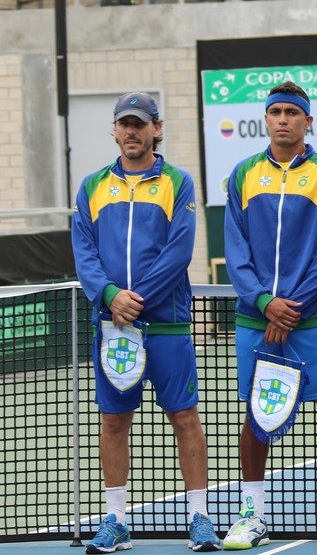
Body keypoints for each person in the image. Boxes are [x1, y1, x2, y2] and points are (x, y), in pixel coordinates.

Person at [71, 92, 220, 554]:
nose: (131, 132)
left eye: (140, 124)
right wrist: (112, 297)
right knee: (114, 422)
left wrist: (136, 300)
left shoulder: (178, 182)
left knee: (185, 418)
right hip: (114, 328)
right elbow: (84, 252)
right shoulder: (91, 186)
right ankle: (115, 520)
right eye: (124, 124)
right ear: (115, 131)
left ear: (156, 128)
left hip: (169, 325)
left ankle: (200, 517)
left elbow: (179, 251)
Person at [220, 81, 317, 551]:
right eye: (275, 111)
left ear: (307, 120)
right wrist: (264, 303)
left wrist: (290, 307)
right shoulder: (242, 175)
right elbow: (235, 250)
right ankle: (251, 516)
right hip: (256, 319)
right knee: (258, 414)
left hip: (312, 317)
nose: (283, 119)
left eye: (291, 113)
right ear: (266, 119)